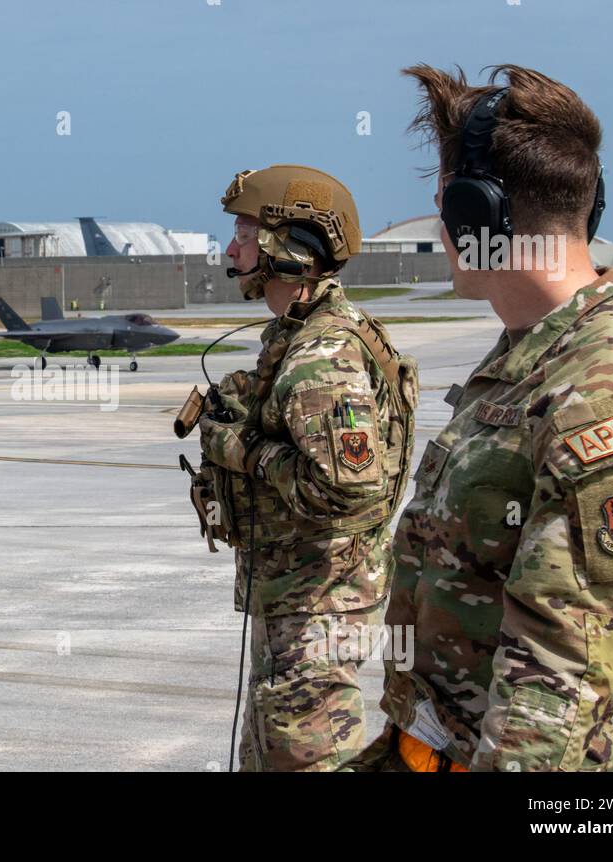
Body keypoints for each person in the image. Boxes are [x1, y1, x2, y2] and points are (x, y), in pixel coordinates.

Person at [353, 64, 613, 772]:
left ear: (473, 216)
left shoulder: (611, 386)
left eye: (445, 207)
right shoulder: (523, 359)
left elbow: (556, 671)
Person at [191, 164, 417, 770]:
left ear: (283, 247)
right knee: (273, 753)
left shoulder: (320, 354)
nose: (230, 247)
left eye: (243, 233)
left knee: (304, 754)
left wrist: (238, 447)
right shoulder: (302, 336)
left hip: (317, 602)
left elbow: (344, 491)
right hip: (303, 596)